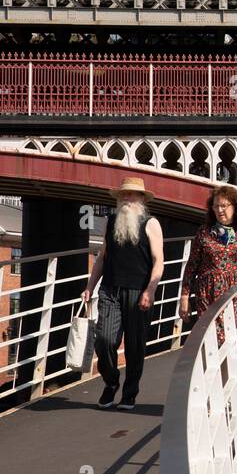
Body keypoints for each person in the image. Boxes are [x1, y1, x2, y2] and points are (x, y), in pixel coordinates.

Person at [82, 176, 164, 410]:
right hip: (110, 289)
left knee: (135, 346)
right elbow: (103, 256)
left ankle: (129, 393)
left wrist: (150, 290)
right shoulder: (111, 220)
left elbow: (159, 261)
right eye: (123, 195)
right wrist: (90, 286)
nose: (127, 198)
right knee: (105, 340)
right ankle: (111, 383)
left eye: (132, 194)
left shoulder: (151, 223)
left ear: (141, 199)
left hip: (139, 292)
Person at [180, 185, 237, 354]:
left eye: (224, 206)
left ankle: (234, 379)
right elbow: (191, 267)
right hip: (209, 297)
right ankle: (219, 378)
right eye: (216, 206)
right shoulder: (204, 233)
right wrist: (184, 297)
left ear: (235, 207)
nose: (220, 210)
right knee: (214, 347)